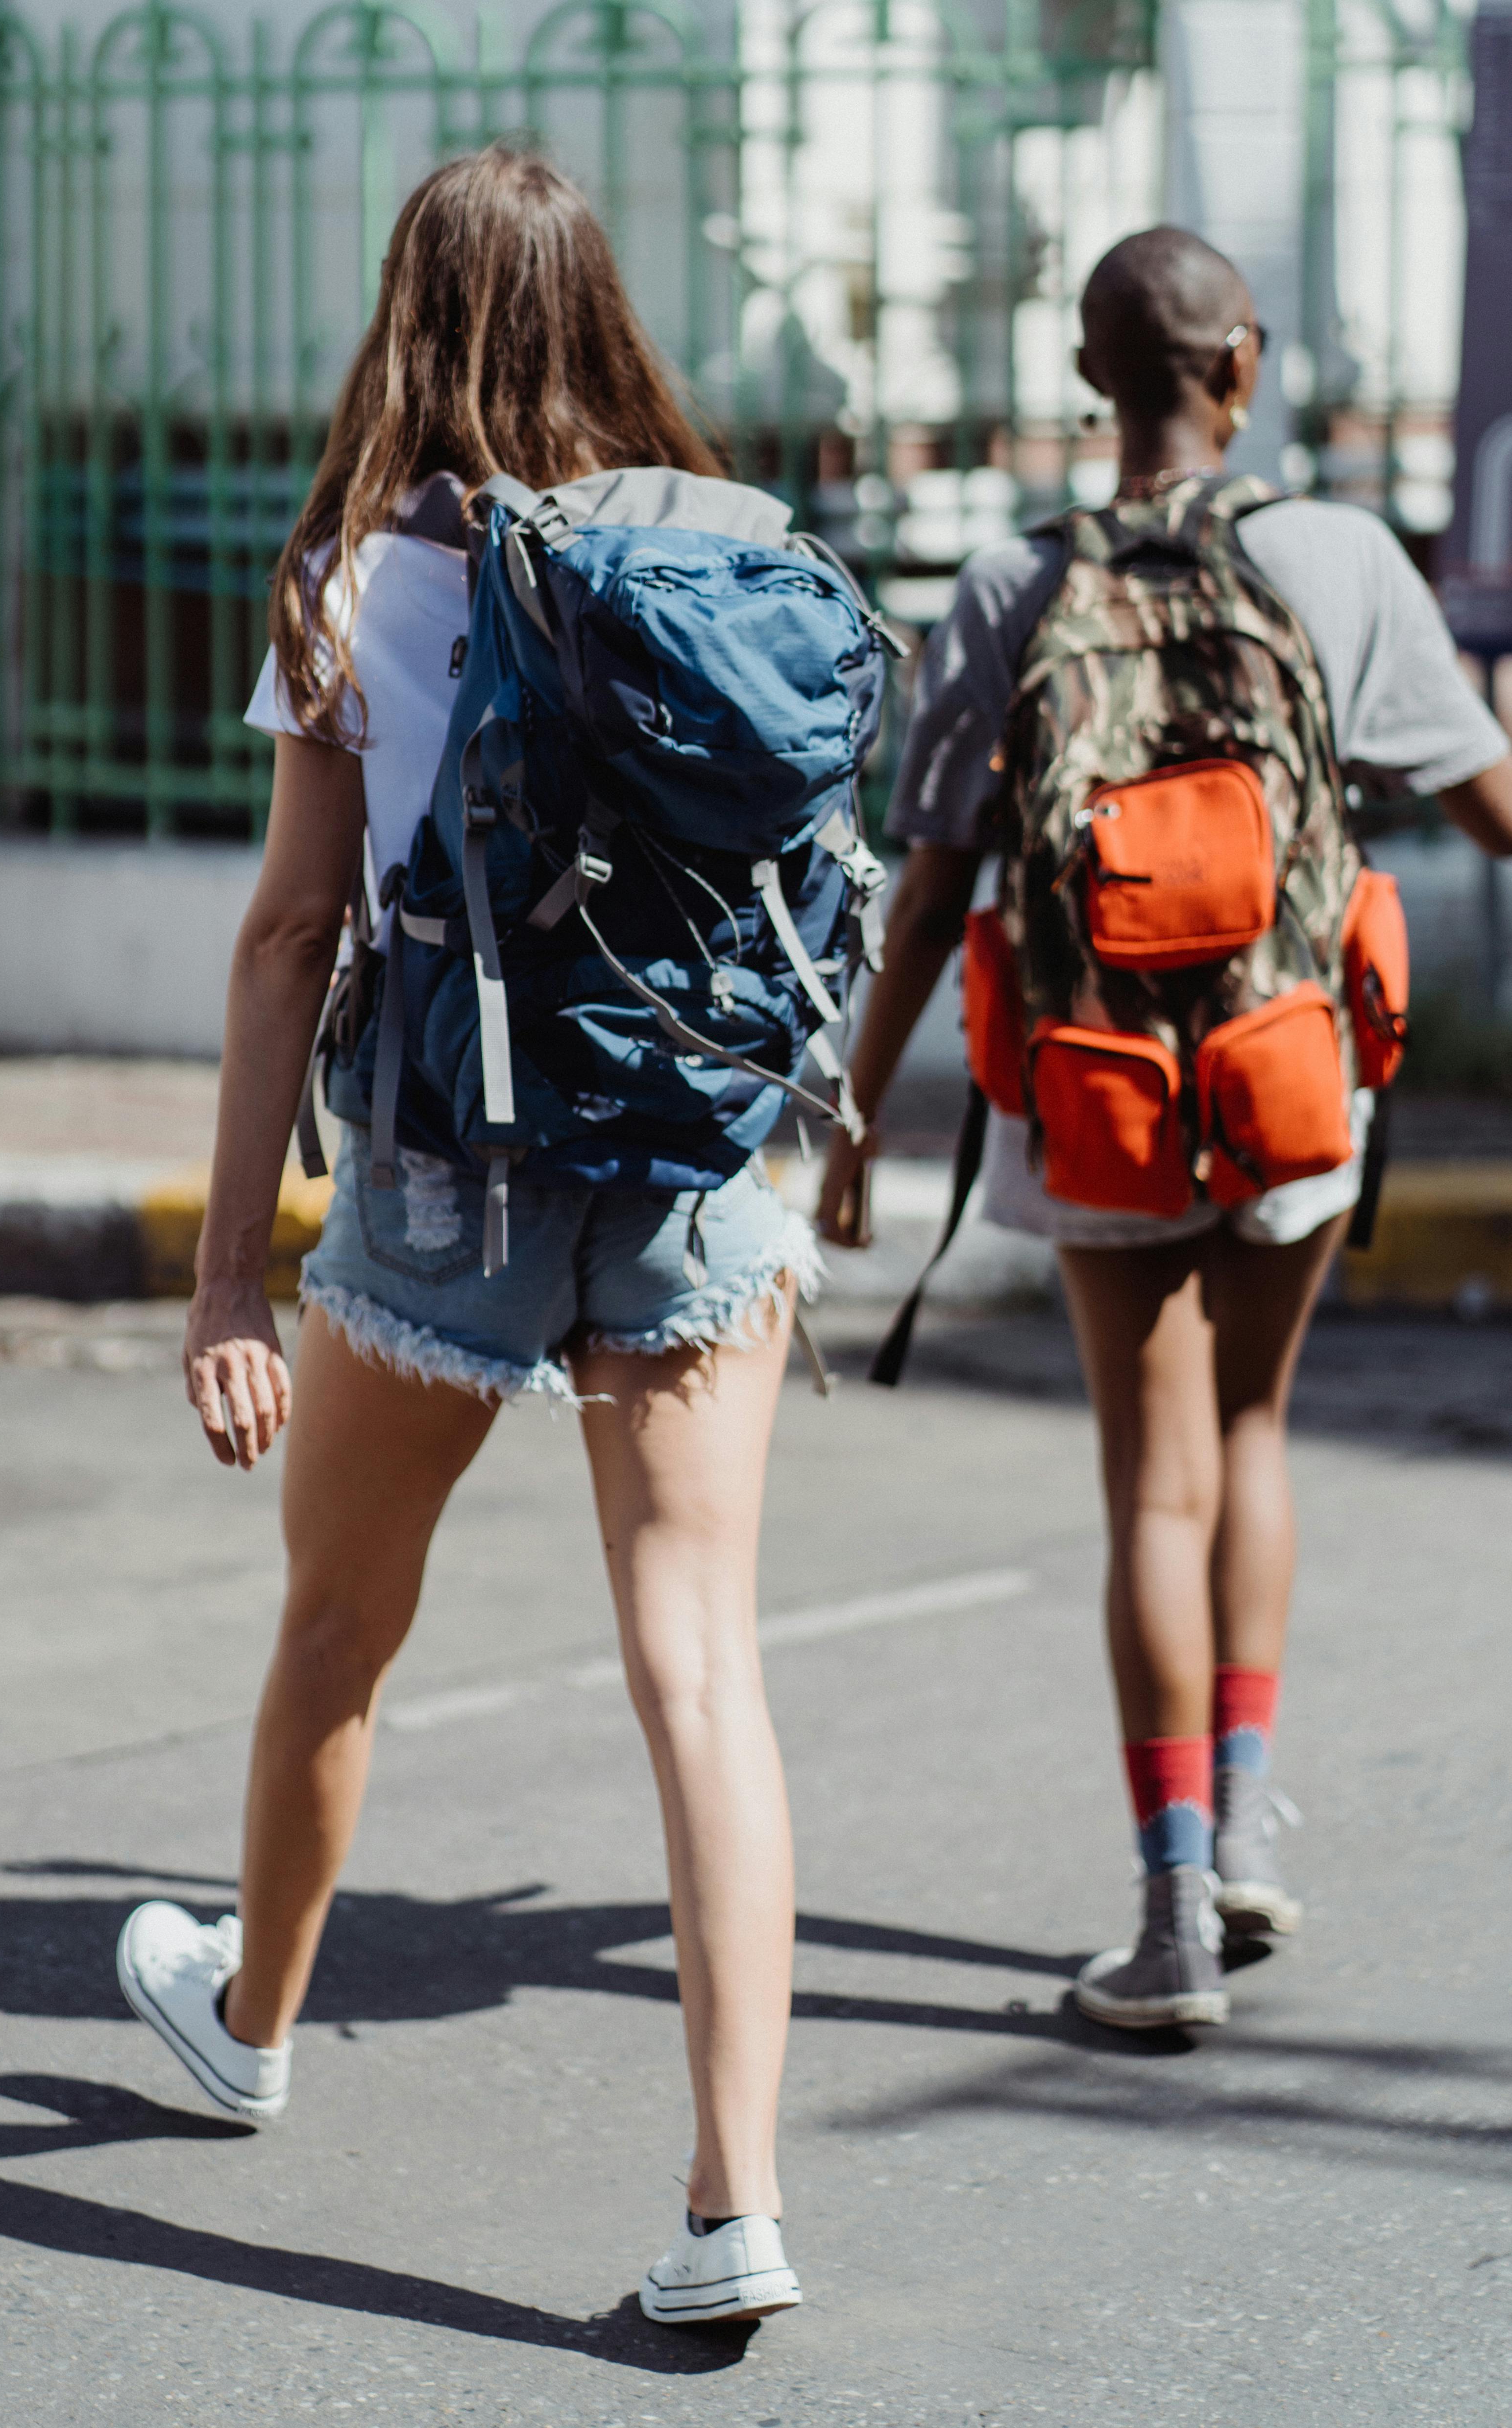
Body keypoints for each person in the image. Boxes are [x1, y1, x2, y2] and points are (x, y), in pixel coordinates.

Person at [114, 146, 817, 2324]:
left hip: (451, 1169)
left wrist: (233, 1273)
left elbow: (289, 933)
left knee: (338, 1625)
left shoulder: (354, 582)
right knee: (700, 1668)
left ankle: (247, 2037)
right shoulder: (744, 543)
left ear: (409, 315)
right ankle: (736, 2211)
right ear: (601, 309)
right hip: (696, 1158)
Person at [820, 225, 1512, 2029]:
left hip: (1099, 1091)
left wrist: (843, 1116)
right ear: (1250, 364)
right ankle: (1254, 1818)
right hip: (1292, 1078)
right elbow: (1494, 808)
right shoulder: (1341, 558)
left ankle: (1173, 1906)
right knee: (1258, 1433)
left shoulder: (1004, 587)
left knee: (1153, 1473)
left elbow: (928, 892)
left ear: (1083, 377)